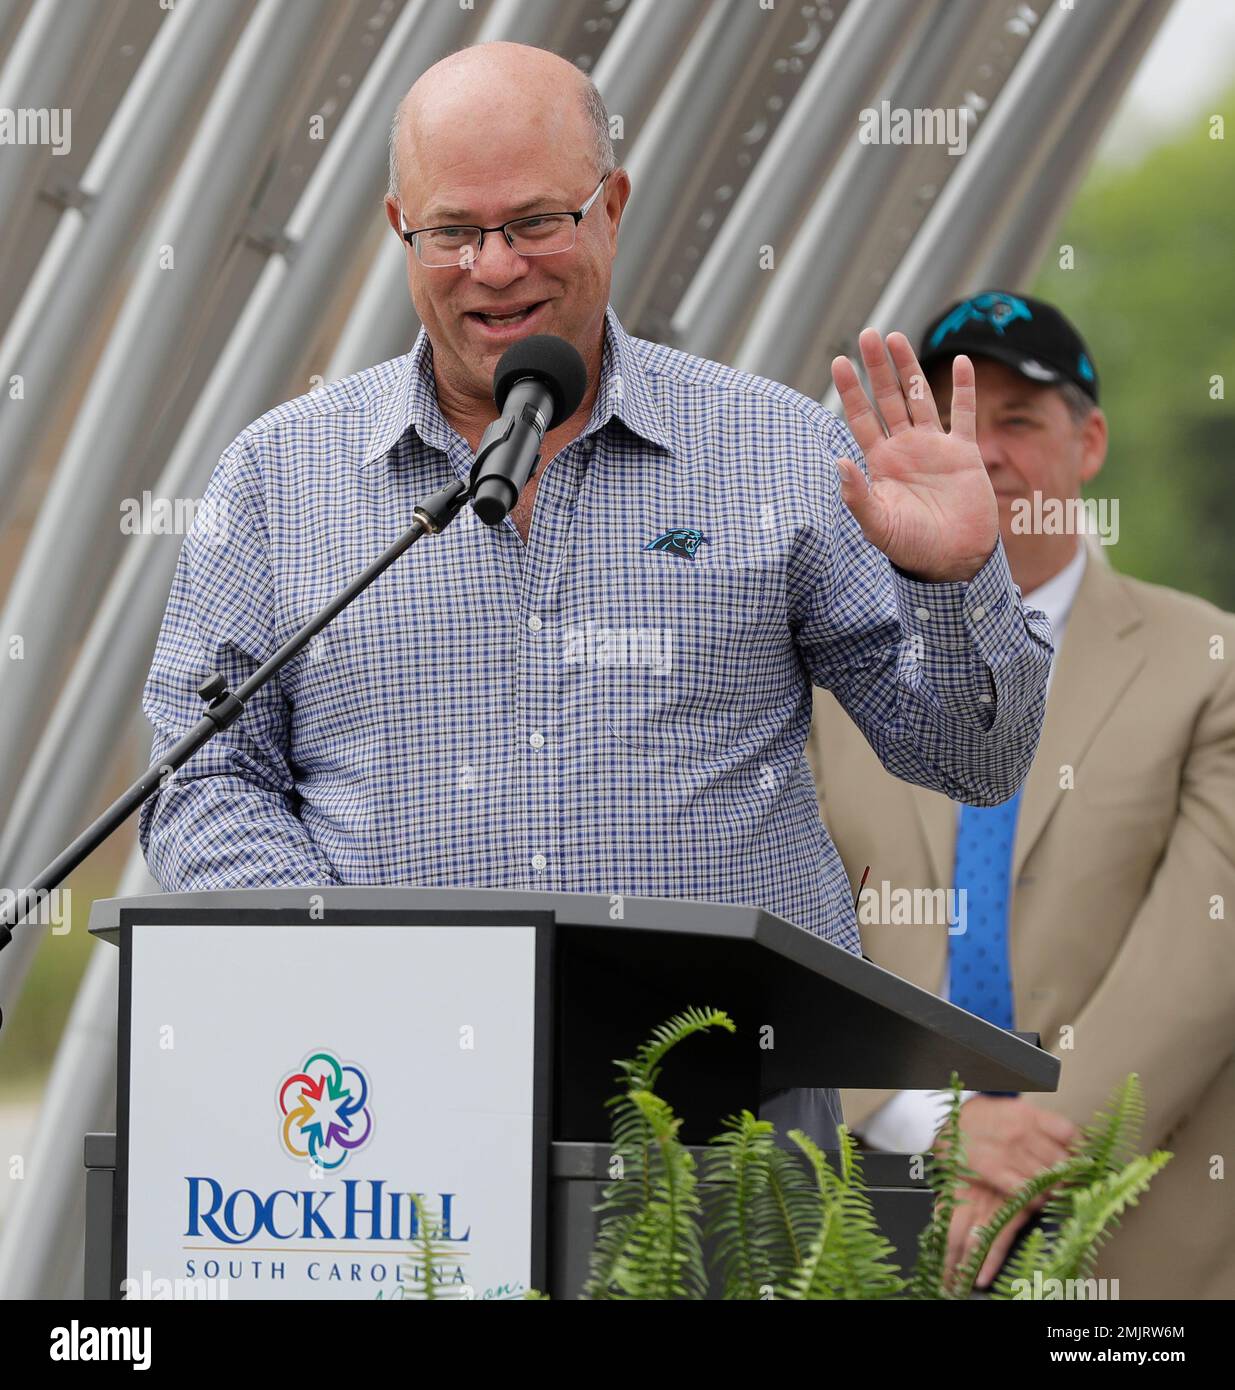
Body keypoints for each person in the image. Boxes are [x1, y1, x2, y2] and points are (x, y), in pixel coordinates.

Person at [138, 45, 1051, 1147]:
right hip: (385, 1116)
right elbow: (200, 784)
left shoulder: (779, 450)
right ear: (400, 232)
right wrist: (344, 959)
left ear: (610, 206)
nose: (491, 266)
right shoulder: (278, 476)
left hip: (732, 1125)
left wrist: (950, 580)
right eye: (452, 232)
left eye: (534, 222)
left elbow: (971, 760)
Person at [808, 291, 1235, 1297]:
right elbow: (785, 927)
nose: (983, 453)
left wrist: (1014, 1158)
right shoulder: (828, 668)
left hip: (1135, 1243)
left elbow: (1196, 969)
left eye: (1016, 420)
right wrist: (933, 1126)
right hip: (866, 1229)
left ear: (1087, 445)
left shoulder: (1206, 663)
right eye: (953, 420)